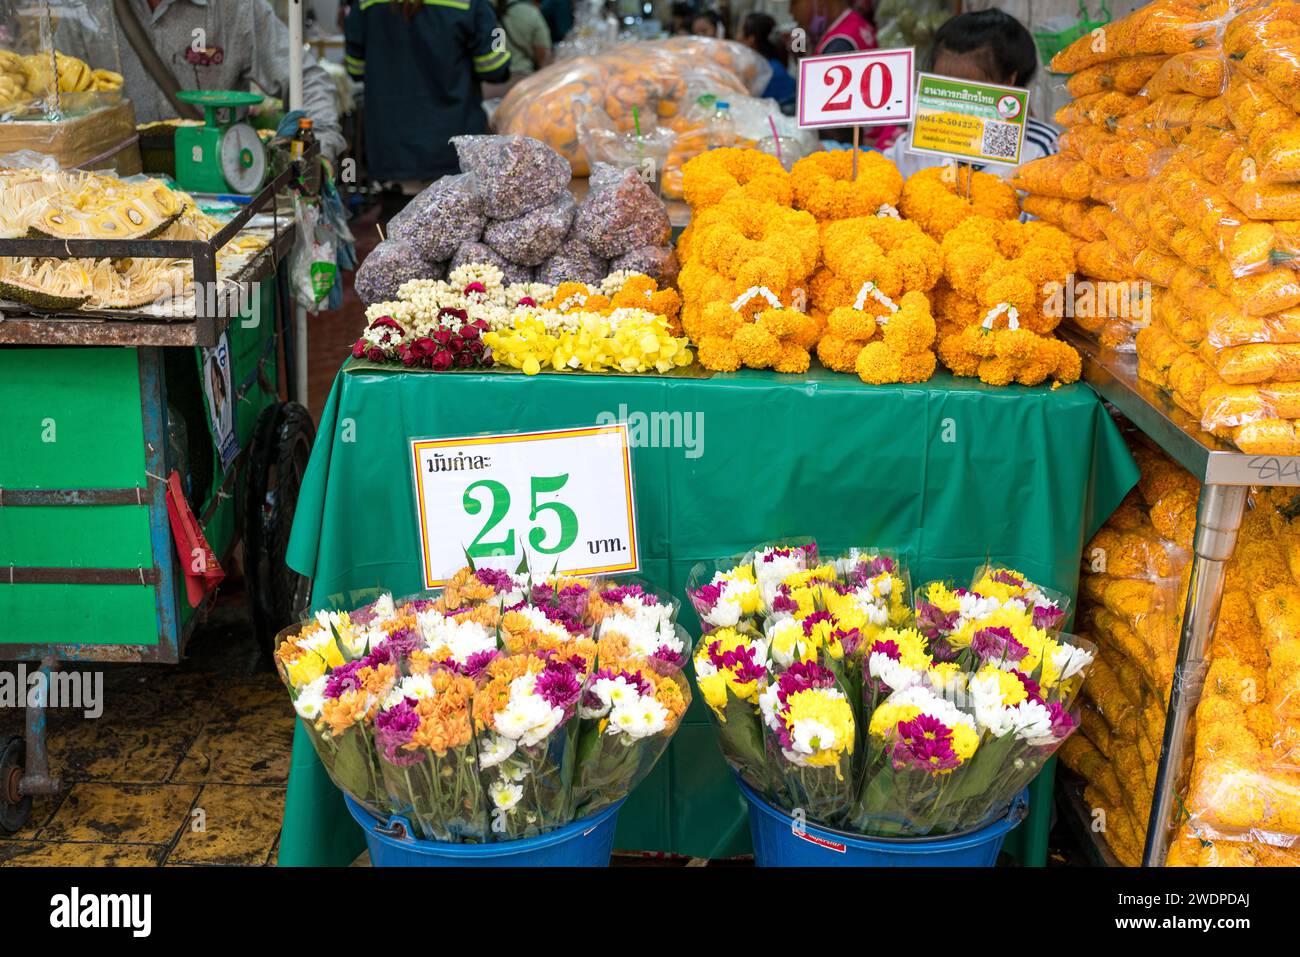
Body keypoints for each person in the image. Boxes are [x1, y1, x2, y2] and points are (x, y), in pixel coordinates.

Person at [56, 0, 345, 162]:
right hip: (117, 188)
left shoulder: (235, 8)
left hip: (219, 187)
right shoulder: (85, 10)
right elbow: (57, 99)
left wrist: (320, 147)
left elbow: (306, 78)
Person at [344, 0, 510, 183]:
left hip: (390, 146)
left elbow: (355, 69)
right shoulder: (471, 4)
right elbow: (493, 67)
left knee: (396, 210)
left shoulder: (365, 4)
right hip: (452, 144)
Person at [885, 9, 1060, 178]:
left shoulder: (1041, 149)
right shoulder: (912, 146)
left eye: (967, 90)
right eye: (942, 86)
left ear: (1008, 81)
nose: (953, 101)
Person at [739, 12, 795, 110]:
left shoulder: (767, 71)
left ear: (750, 39)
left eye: (740, 32)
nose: (737, 37)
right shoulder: (773, 65)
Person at [789, 0, 876, 55]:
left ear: (820, 2)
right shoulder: (854, 20)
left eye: (794, 2)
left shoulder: (838, 45)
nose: (790, 11)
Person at [498, 0, 553, 78]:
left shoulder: (484, 11)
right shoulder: (529, 12)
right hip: (523, 76)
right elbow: (543, 55)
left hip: (490, 83)